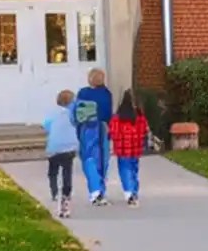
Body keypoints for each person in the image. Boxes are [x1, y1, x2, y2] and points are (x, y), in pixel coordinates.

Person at [72, 69, 113, 205]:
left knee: (88, 158)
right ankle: (100, 189)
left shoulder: (83, 93)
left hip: (86, 129)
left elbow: (76, 114)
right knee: (102, 159)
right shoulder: (106, 94)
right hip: (102, 128)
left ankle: (95, 190)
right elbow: (108, 114)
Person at [109, 89, 150, 207]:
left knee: (124, 169)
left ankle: (129, 191)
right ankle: (134, 190)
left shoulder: (117, 118)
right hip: (135, 149)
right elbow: (144, 132)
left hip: (122, 149)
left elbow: (113, 132)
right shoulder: (140, 118)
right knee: (134, 169)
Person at [42, 89, 79, 218]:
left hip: (54, 148)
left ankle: (54, 191)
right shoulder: (72, 114)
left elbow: (46, 126)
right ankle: (66, 193)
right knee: (67, 171)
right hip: (69, 147)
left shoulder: (52, 114)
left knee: (53, 171)